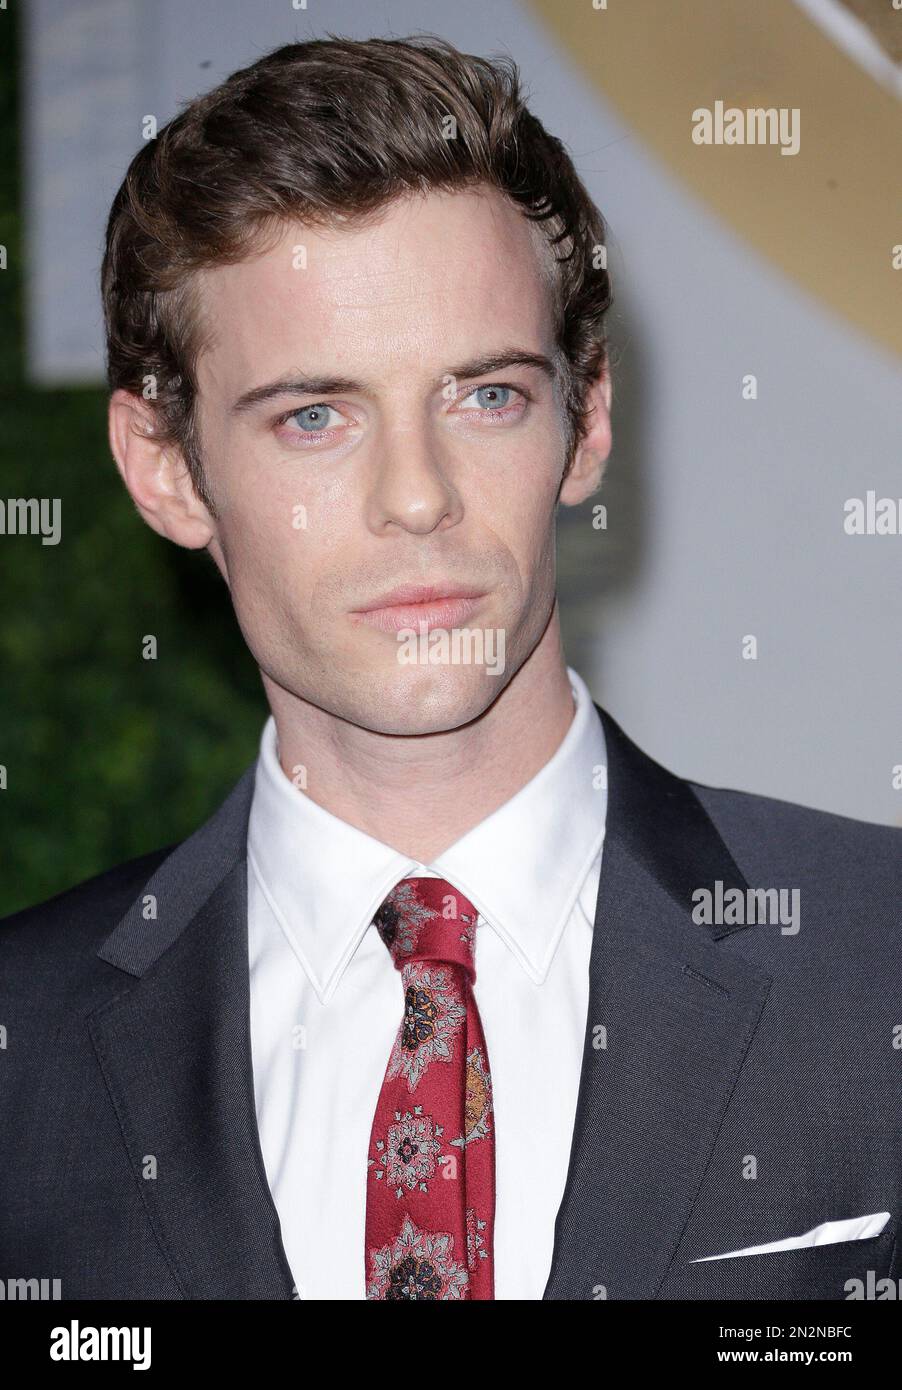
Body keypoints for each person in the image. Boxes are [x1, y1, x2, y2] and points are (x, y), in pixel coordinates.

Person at [1, 35, 899, 1302]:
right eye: (313, 416)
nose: (415, 498)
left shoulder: (879, 971)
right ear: (165, 467)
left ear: (583, 421)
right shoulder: (18, 1054)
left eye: (483, 396)